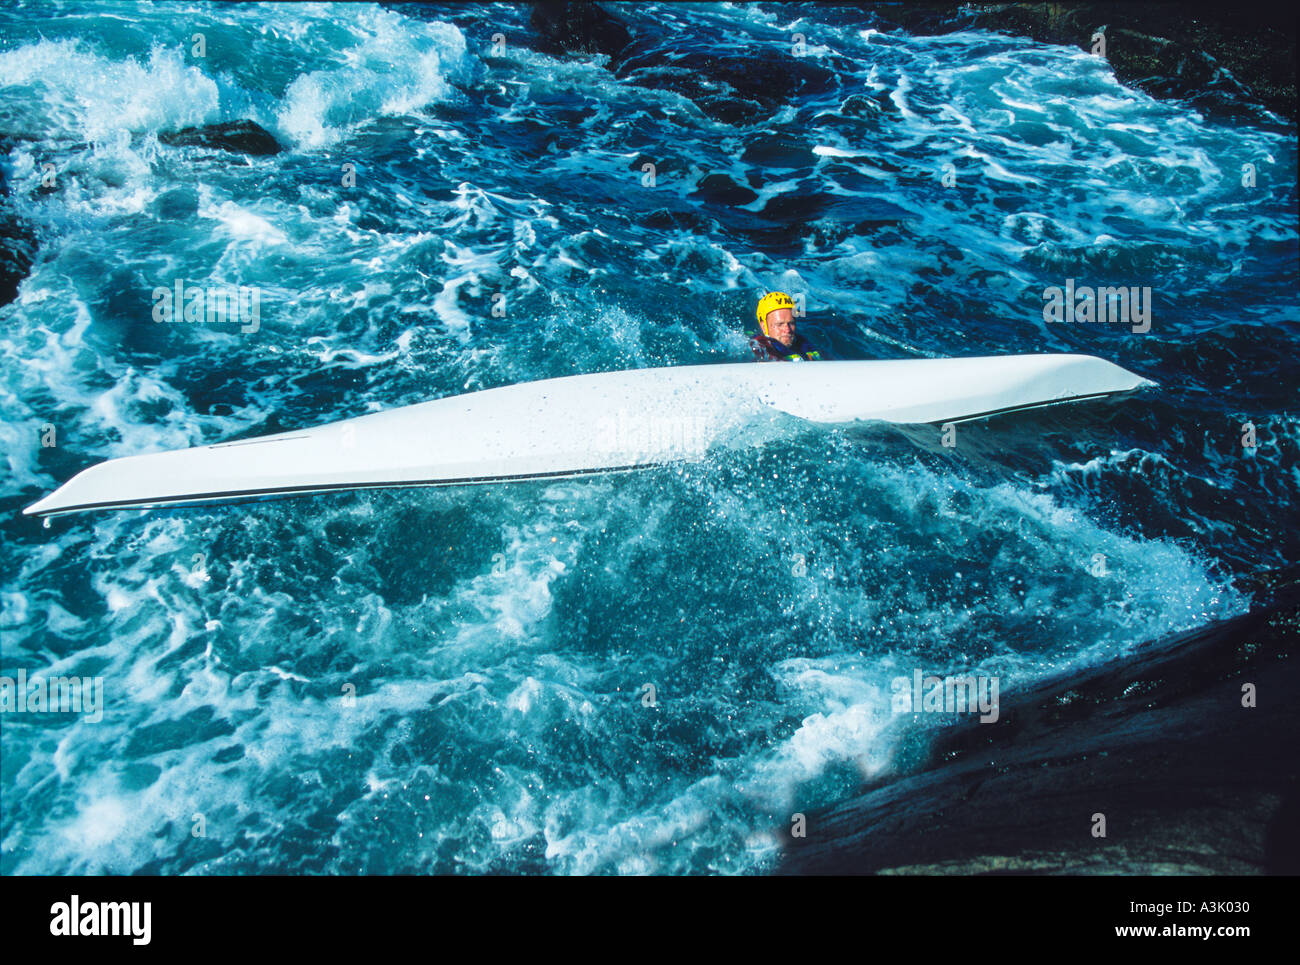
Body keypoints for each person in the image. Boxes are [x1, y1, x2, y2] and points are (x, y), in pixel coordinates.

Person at [750, 291, 824, 361]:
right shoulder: (759, 347)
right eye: (780, 324)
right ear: (763, 326)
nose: (787, 329)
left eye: (791, 323)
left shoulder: (803, 343)